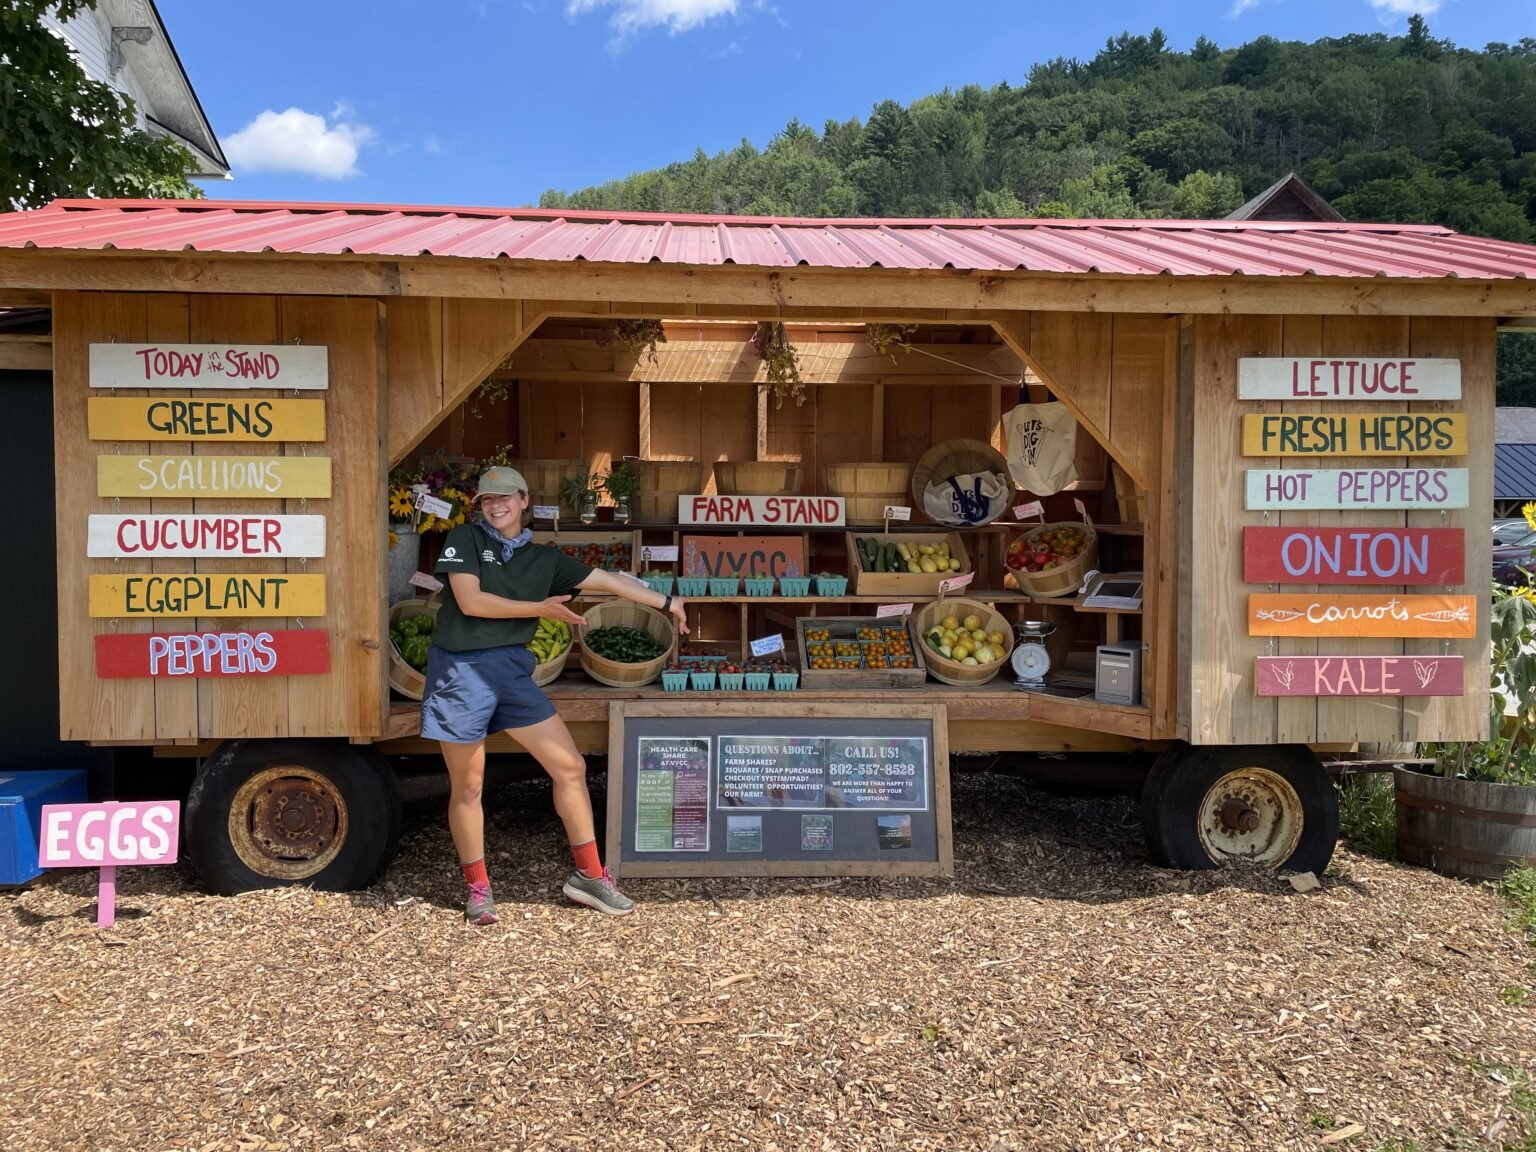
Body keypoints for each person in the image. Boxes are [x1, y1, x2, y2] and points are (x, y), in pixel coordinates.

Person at [422, 465, 689, 925]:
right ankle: (479, 890)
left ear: (524, 500)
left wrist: (668, 603)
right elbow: (471, 601)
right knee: (468, 785)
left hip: (511, 671)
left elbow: (608, 580)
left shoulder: (544, 560)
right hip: (461, 672)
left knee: (570, 767)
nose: (496, 506)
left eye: (505, 497)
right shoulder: (466, 539)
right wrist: (541, 608)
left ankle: (590, 877)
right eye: (488, 500)